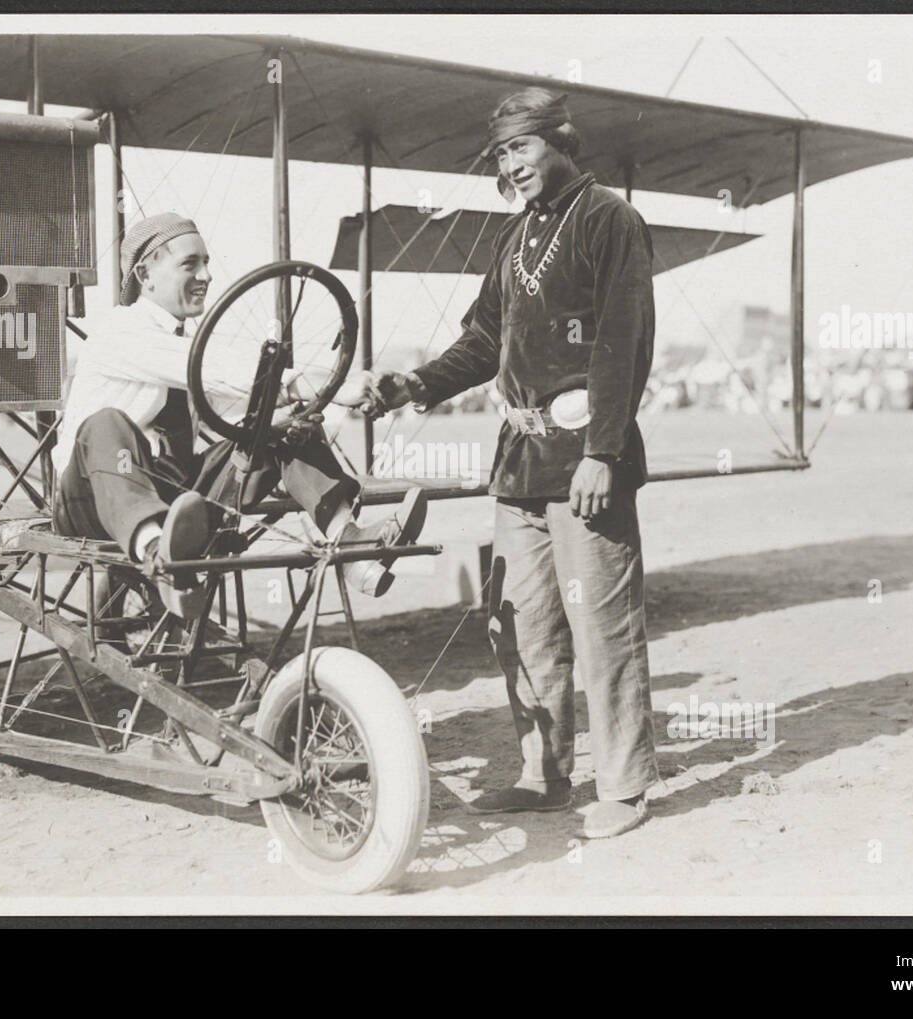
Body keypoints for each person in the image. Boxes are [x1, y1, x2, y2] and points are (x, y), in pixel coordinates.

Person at [371, 88, 660, 840]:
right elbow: (482, 339)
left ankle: (625, 788)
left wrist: (602, 450)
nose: (512, 163)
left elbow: (621, 344)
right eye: (501, 152)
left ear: (561, 140)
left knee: (603, 625)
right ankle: (543, 776)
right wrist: (417, 384)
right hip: (520, 461)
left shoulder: (608, 218)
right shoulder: (518, 235)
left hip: (585, 459)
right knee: (522, 622)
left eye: (523, 146)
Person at [52, 211, 425, 612]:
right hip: (92, 499)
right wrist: (326, 385)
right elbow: (218, 370)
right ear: (146, 274)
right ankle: (159, 558)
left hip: (174, 497)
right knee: (106, 424)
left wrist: (289, 417)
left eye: (207, 262)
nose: (207, 275)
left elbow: (239, 403)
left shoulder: (185, 342)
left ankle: (350, 545)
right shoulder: (120, 333)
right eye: (189, 263)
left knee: (280, 427)